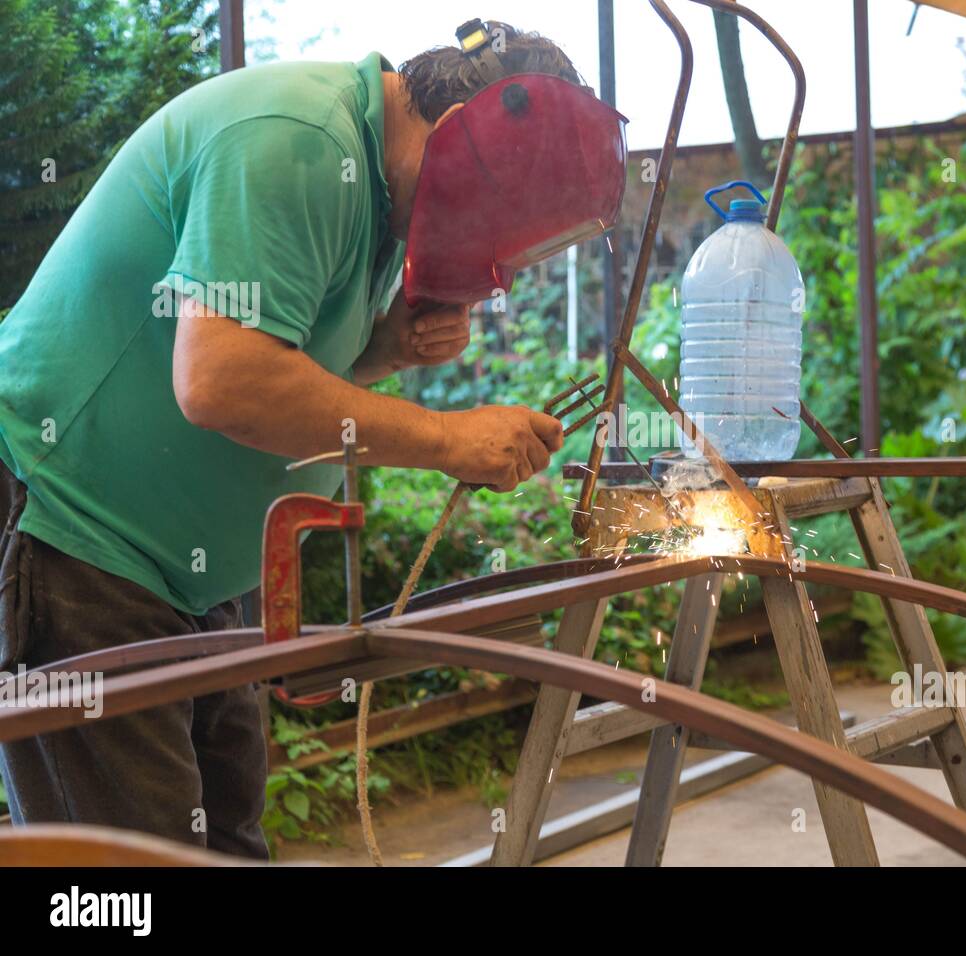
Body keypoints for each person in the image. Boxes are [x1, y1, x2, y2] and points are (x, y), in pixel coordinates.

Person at [0, 22, 586, 859]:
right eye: (500, 210)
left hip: (191, 575)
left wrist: (383, 347)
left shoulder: (378, 190)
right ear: (458, 133)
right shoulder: (296, 141)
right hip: (76, 528)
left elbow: (288, 371)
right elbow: (222, 379)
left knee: (224, 843)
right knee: (122, 880)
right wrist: (448, 439)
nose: (490, 250)